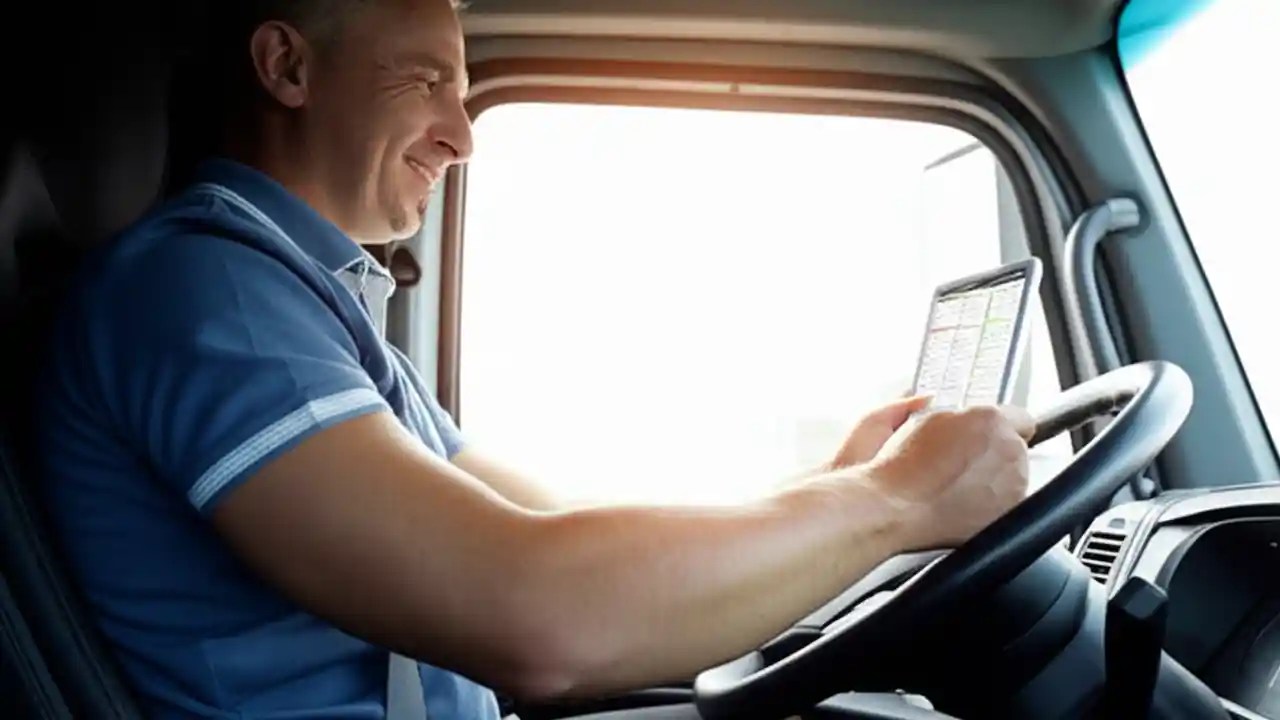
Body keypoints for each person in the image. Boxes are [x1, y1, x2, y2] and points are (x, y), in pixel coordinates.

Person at [34, 0, 1035, 718]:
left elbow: (540, 525)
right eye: (426, 79)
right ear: (287, 69)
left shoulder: (303, 300)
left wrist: (837, 483)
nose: (461, 135)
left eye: (466, 94)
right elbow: (539, 618)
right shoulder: (208, 293)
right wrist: (893, 504)